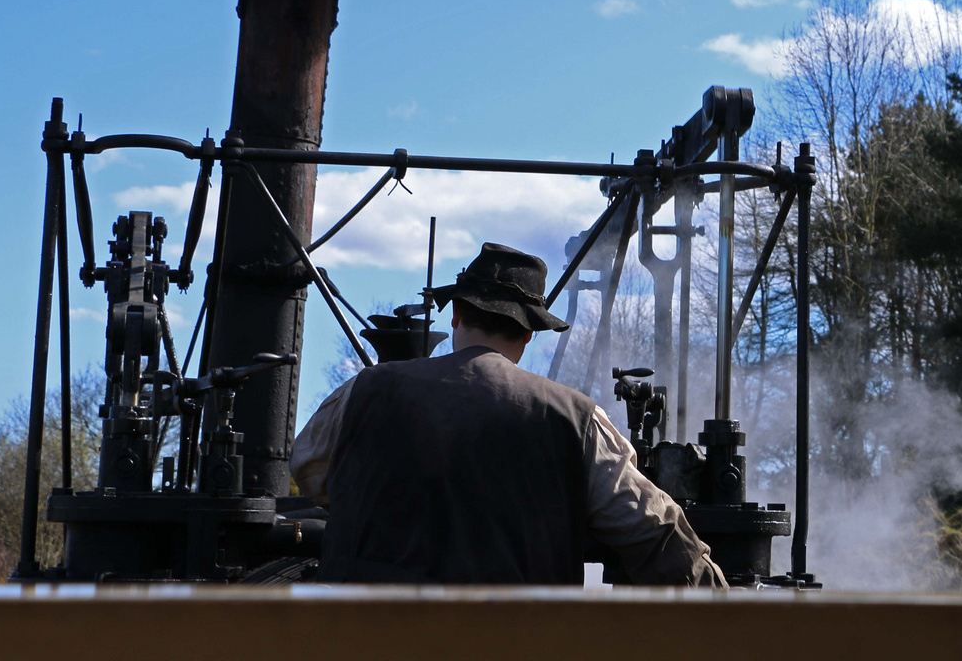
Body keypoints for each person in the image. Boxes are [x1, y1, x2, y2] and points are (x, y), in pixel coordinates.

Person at [291, 242, 726, 587]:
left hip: (360, 644)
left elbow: (307, 470)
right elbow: (653, 527)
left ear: (457, 313)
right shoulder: (575, 419)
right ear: (529, 332)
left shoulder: (362, 391)